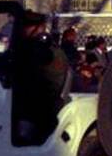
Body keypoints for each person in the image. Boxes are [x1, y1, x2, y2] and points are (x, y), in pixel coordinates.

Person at [11, 11, 71, 144]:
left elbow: (49, 87)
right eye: (24, 26)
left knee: (23, 128)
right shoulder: (20, 48)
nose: (24, 29)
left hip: (39, 110)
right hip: (16, 104)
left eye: (29, 26)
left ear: (41, 28)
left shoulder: (49, 52)